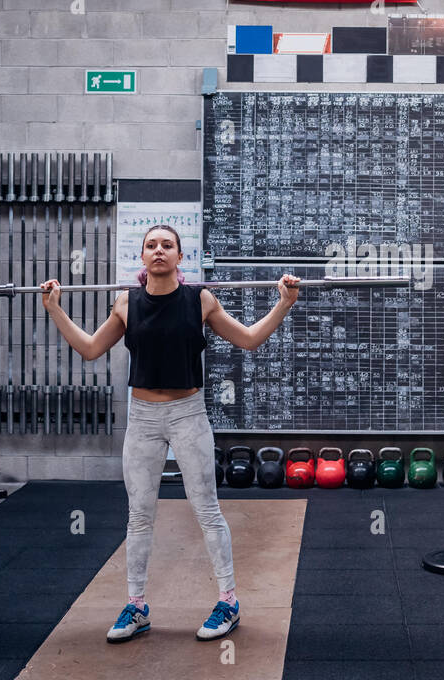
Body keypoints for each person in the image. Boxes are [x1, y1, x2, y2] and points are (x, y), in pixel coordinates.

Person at [40, 224, 299, 642]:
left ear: (180, 257)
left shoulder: (200, 300)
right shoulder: (126, 302)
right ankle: (138, 607)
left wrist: (284, 303)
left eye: (167, 245)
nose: (159, 250)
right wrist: (54, 308)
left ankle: (229, 602)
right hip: (142, 418)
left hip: (188, 414)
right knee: (139, 517)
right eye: (151, 245)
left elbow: (249, 340)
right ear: (142, 257)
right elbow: (90, 348)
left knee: (207, 511)